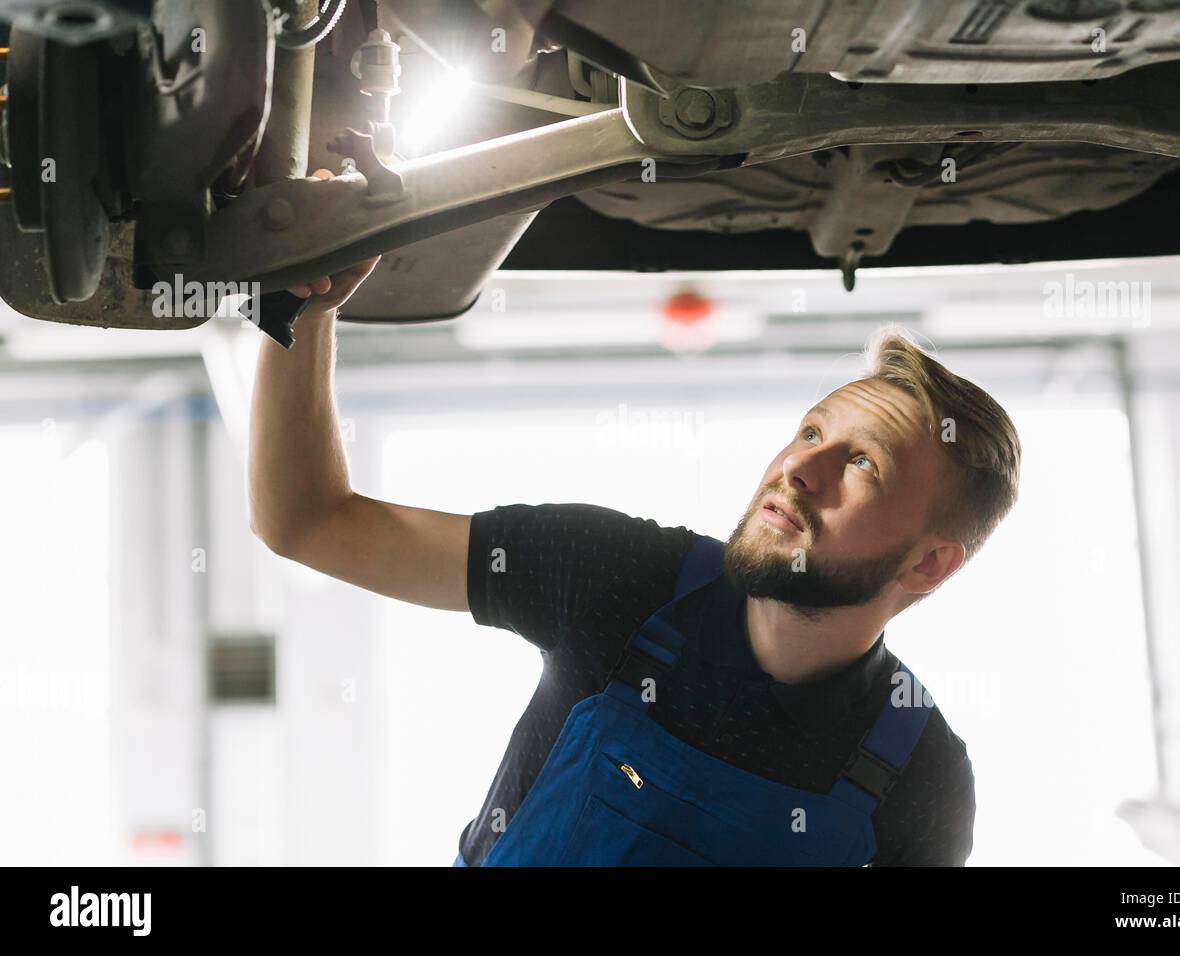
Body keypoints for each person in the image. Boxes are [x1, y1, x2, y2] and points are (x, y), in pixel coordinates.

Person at [249, 180, 1022, 865]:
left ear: (929, 566)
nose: (798, 468)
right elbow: (309, 521)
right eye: (812, 432)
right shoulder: (620, 578)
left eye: (863, 465)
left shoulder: (918, 774)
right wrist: (304, 304)